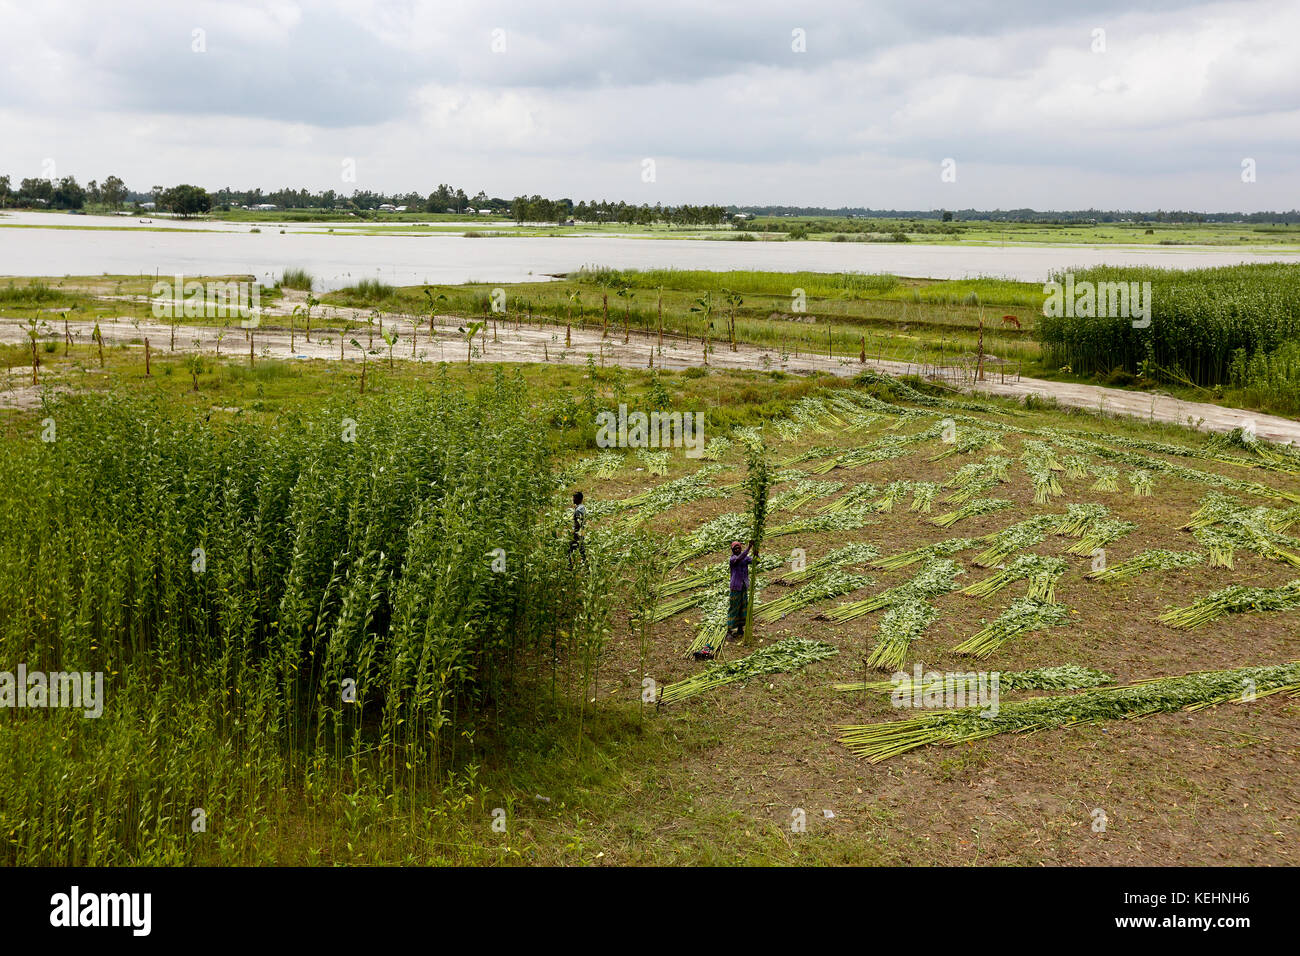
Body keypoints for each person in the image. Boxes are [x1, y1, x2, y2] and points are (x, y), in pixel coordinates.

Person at [725, 540, 754, 641]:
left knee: (743, 607)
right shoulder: (733, 559)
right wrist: (749, 547)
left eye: (738, 548)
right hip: (735, 588)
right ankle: (729, 631)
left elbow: (755, 562)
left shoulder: (745, 558)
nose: (737, 550)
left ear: (741, 548)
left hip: (743, 587)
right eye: (735, 549)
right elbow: (739, 558)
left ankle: (740, 628)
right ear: (733, 550)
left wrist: (757, 552)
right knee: (734, 608)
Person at [568, 491, 587, 566]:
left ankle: (570, 566)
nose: (573, 500)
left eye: (574, 498)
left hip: (577, 533)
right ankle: (585, 563)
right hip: (581, 532)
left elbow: (579, 522)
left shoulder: (578, 510)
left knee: (569, 549)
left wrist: (574, 532)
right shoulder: (582, 507)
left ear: (578, 499)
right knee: (581, 548)